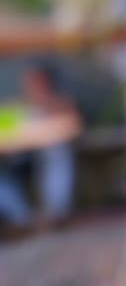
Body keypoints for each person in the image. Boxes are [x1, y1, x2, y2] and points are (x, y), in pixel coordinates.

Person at [0, 65, 80, 231]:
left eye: (39, 83)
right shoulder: (15, 107)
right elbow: (3, 133)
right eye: (31, 83)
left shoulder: (61, 104)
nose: (35, 87)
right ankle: (22, 218)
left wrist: (45, 105)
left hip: (47, 155)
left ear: (49, 84)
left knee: (59, 154)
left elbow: (73, 127)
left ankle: (55, 214)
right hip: (18, 159)